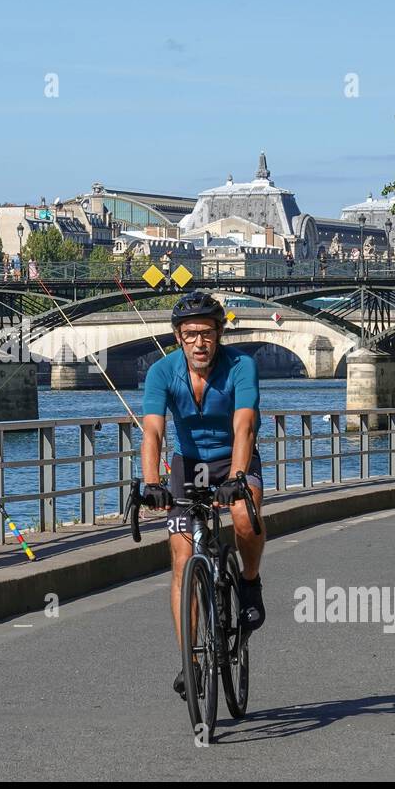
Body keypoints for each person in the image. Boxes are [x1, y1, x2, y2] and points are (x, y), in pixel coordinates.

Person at [138, 291, 264, 700]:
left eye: (207, 333)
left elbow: (245, 424)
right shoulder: (161, 371)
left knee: (244, 517)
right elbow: (153, 430)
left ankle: (248, 583)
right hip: (188, 464)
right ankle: (189, 661)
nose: (199, 342)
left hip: (234, 458)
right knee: (181, 559)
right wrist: (152, 482)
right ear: (178, 336)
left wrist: (239, 476)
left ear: (219, 333)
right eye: (190, 334)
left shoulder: (242, 366)